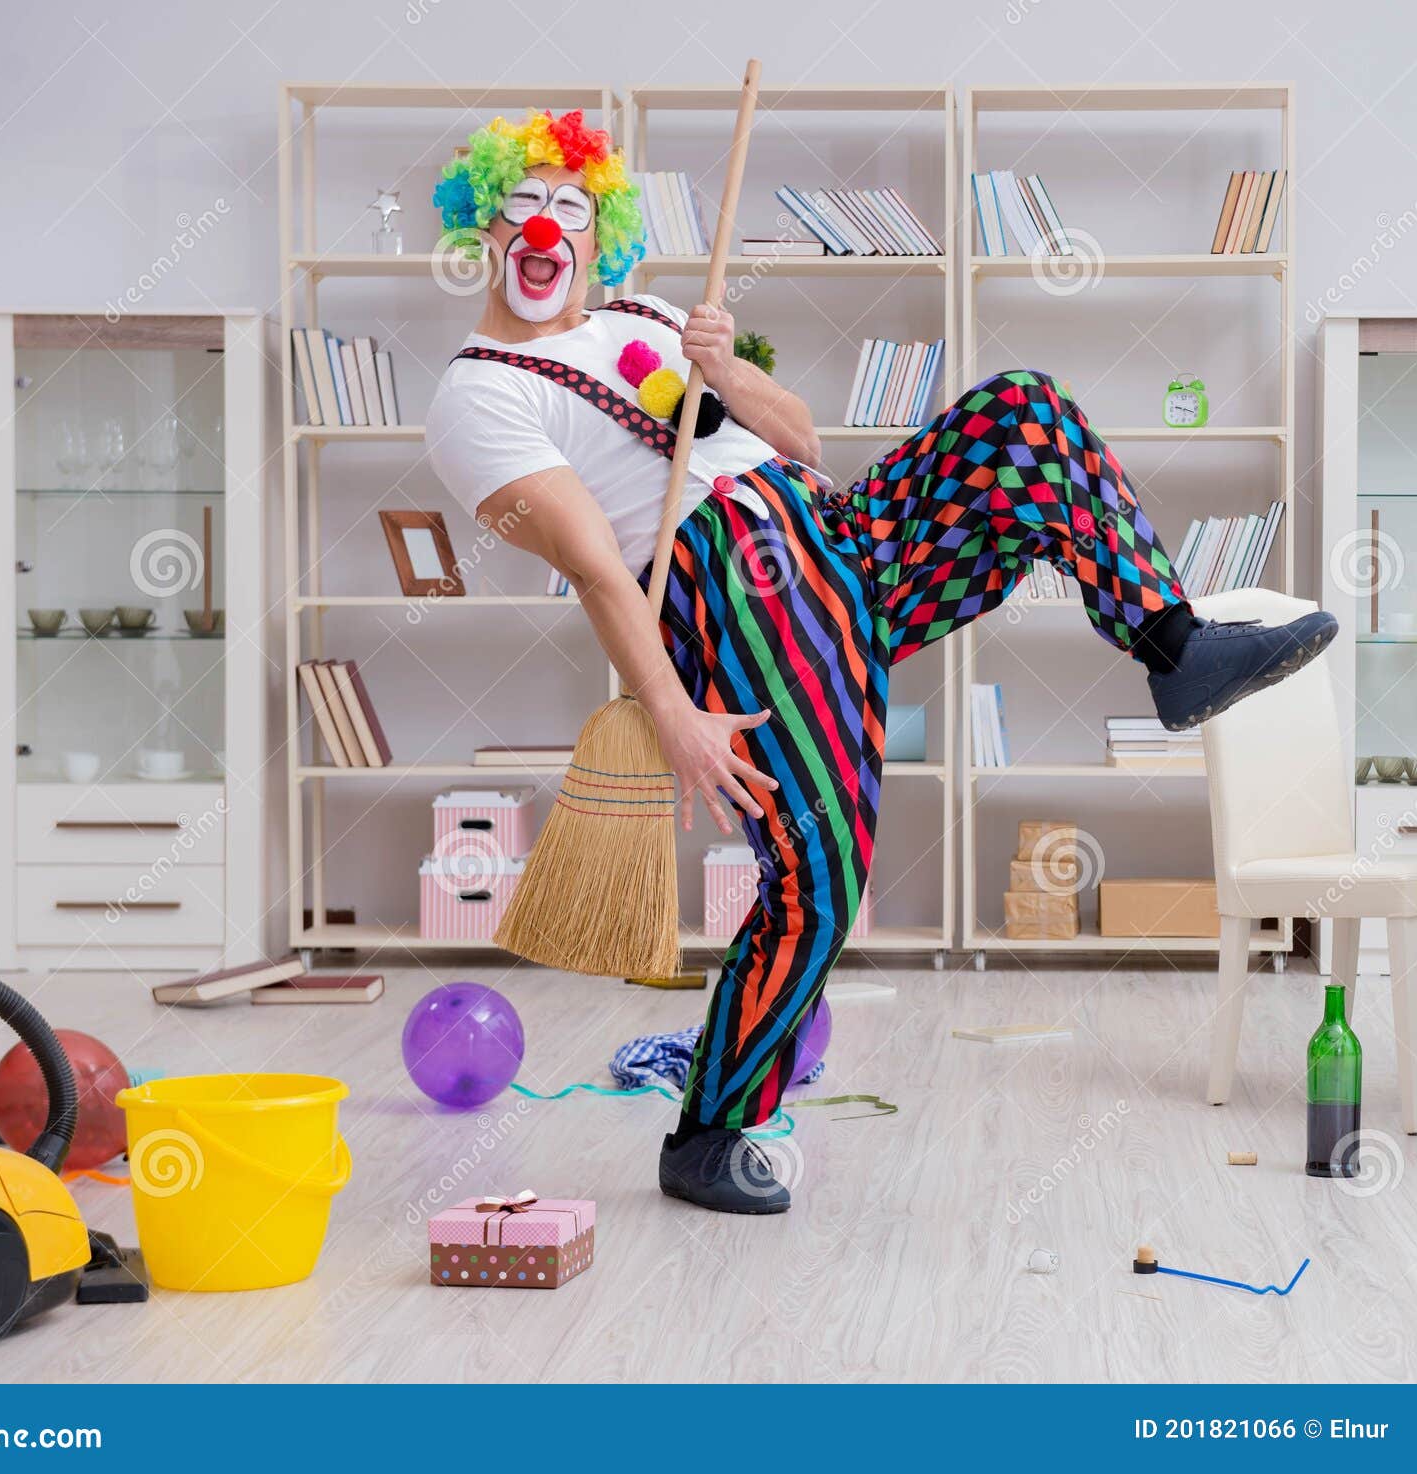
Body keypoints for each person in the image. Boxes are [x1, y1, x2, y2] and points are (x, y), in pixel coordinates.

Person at [425, 109, 1337, 1215]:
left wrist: (720, 367)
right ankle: (711, 1130)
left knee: (1024, 416)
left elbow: (801, 437)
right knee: (819, 871)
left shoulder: (651, 311)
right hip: (739, 592)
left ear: (595, 228)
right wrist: (669, 712)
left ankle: (1174, 647)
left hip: (831, 533)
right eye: (523, 202)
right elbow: (597, 570)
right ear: (484, 224)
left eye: (569, 205)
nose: (545, 224)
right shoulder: (479, 392)